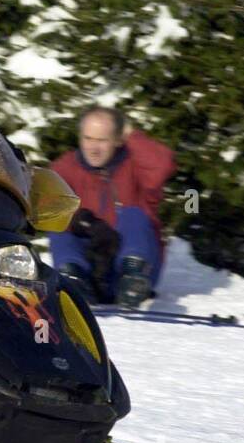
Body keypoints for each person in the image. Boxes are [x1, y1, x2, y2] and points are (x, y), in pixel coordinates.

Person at [48, 106, 175, 307]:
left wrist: (130, 134)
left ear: (117, 140)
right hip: (89, 269)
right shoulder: (65, 169)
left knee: (134, 214)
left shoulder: (135, 165)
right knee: (58, 224)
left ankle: (132, 276)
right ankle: (72, 278)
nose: (93, 148)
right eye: (88, 138)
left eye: (102, 140)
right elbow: (46, 207)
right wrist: (83, 221)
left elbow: (163, 164)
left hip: (139, 267)